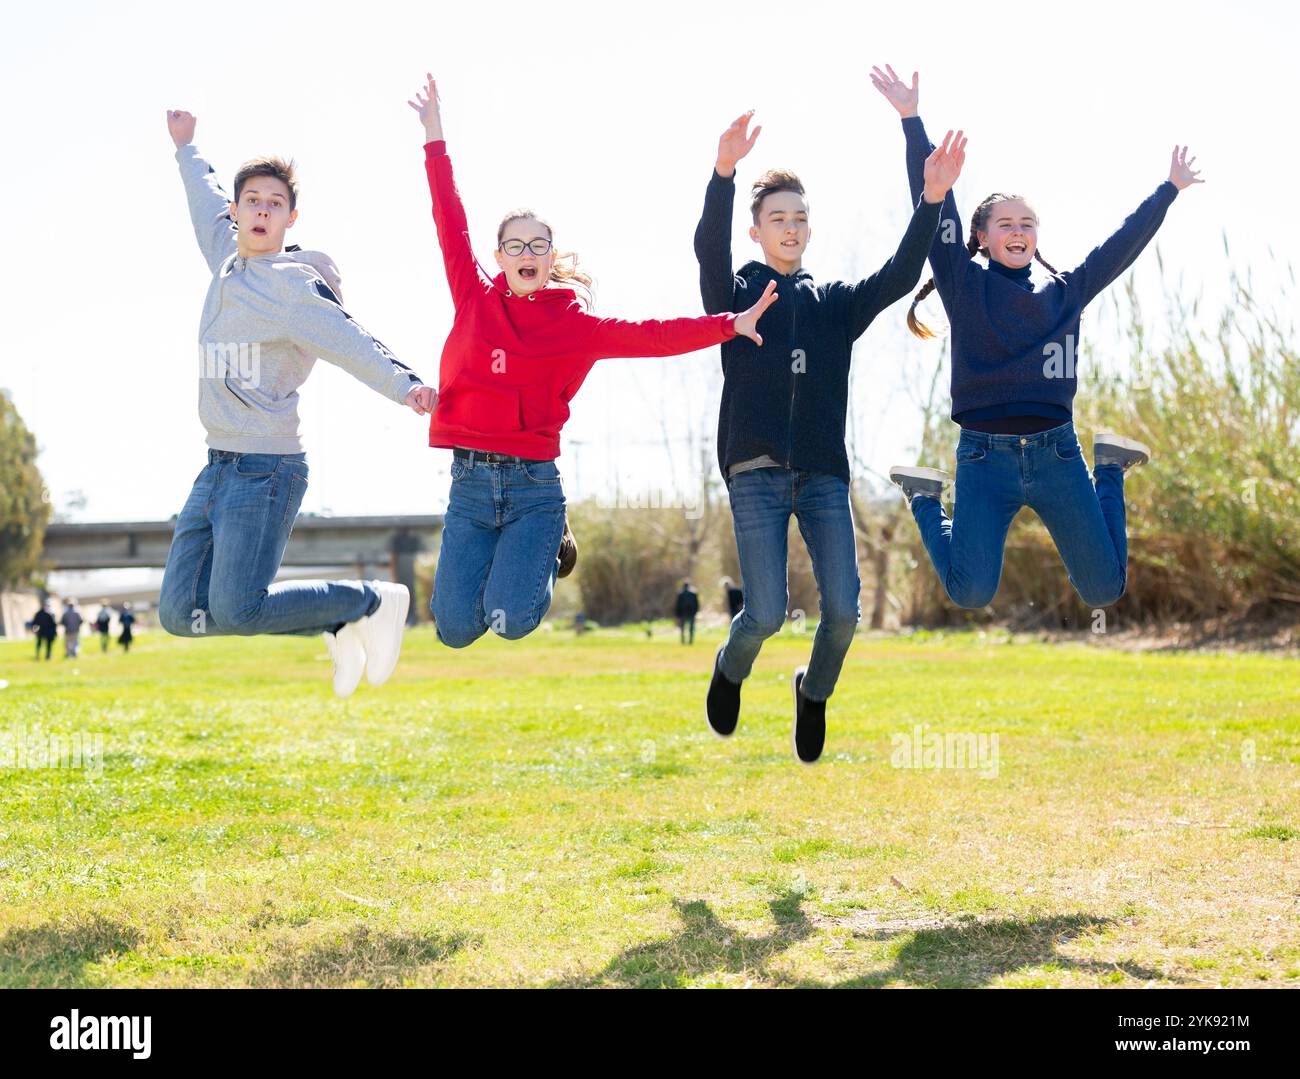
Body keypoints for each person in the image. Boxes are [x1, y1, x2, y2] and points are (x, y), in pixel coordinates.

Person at [409, 74, 778, 650]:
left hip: (533, 485)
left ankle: (547, 538)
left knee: (511, 620)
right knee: (456, 629)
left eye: (537, 246)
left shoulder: (574, 328)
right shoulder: (473, 298)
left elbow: (654, 335)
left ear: (551, 257)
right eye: (515, 246)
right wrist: (435, 135)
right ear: (498, 257)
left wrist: (730, 323)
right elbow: (446, 216)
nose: (526, 254)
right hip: (470, 482)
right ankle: (513, 560)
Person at [871, 65, 1202, 613]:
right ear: (981, 237)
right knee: (970, 591)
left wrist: (1168, 190)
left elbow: (1120, 246)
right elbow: (934, 200)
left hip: (1057, 452)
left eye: (1028, 222)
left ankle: (1110, 467)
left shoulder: (1066, 292)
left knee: (1104, 590)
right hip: (984, 458)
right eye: (1005, 223)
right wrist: (912, 120)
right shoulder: (962, 281)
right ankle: (926, 498)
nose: (1019, 230)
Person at [696, 107, 962, 764]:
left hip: (822, 475)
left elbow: (900, 276)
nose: (790, 227)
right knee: (762, 613)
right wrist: (723, 172)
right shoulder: (734, 297)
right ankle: (730, 669)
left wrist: (930, 199)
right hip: (754, 471)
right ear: (757, 231)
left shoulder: (835, 303)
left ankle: (812, 693)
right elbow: (707, 249)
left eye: (799, 217)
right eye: (777, 218)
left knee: (843, 611)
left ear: (810, 228)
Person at [157, 109, 438, 698]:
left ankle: (368, 601)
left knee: (236, 609)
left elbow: (352, 340)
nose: (261, 210)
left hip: (266, 469)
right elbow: (201, 196)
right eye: (251, 201)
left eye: (274, 203)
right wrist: (186, 147)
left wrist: (406, 385)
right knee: (181, 612)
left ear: (290, 216)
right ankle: (336, 620)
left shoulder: (291, 287)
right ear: (236, 213)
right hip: (217, 465)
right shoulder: (226, 259)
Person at [675, 580, 700, 644]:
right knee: (691, 628)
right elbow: (697, 604)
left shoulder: (680, 593)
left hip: (683, 613)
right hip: (692, 613)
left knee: (682, 628)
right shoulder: (693, 593)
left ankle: (683, 641)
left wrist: (677, 614)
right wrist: (696, 612)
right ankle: (690, 641)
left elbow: (678, 605)